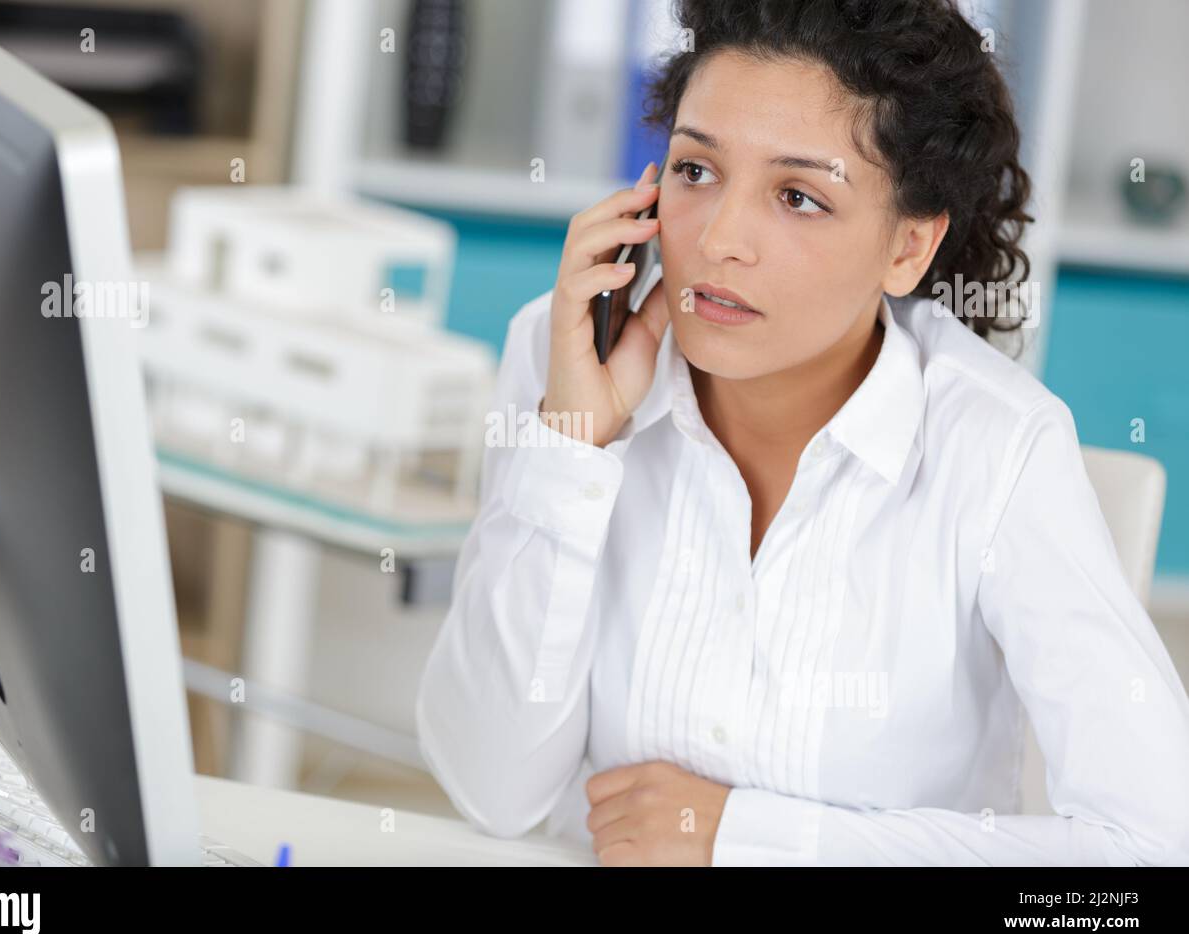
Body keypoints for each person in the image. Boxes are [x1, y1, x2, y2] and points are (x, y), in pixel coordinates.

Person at [416, 0, 1189, 865]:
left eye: (798, 196)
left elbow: (1149, 853)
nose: (718, 239)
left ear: (908, 248)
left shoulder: (1001, 449)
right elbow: (491, 790)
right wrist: (570, 449)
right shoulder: (566, 356)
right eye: (695, 171)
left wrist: (747, 839)